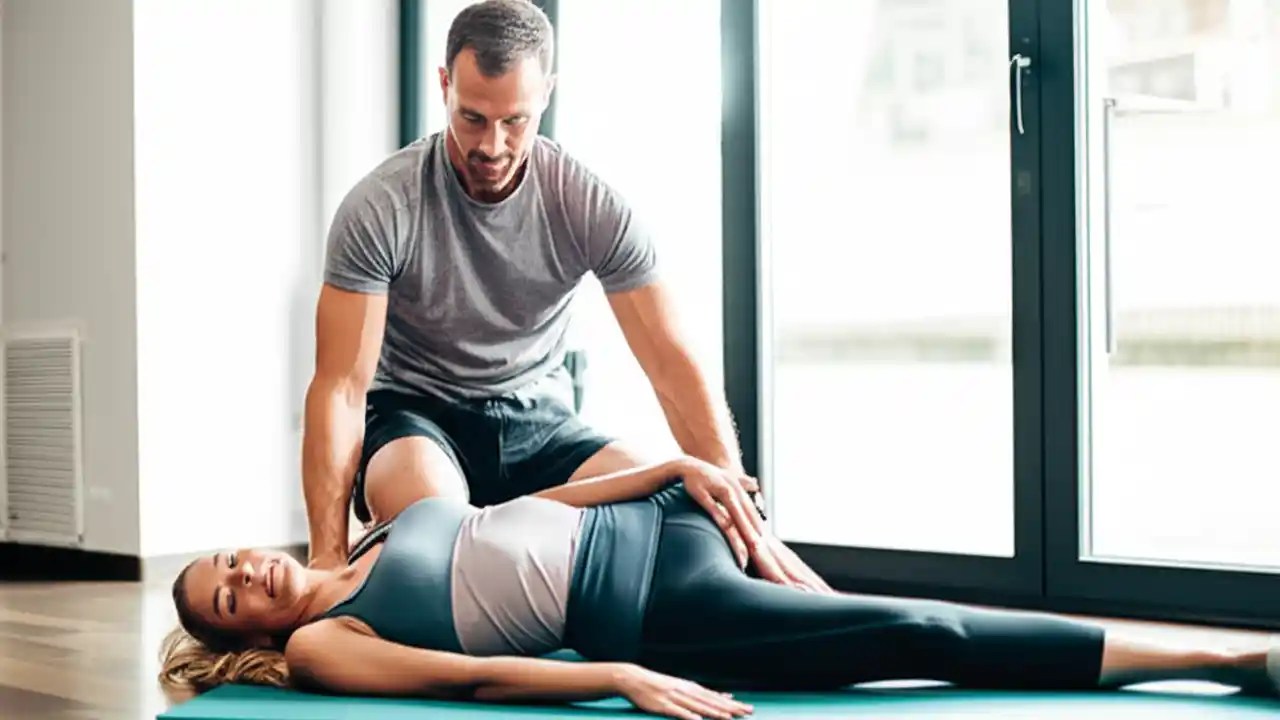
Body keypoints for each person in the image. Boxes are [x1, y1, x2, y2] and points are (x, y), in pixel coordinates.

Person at [300, 0, 823, 594]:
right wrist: (326, 557)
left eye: (514, 121)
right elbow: (340, 389)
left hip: (540, 424)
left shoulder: (587, 205)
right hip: (420, 418)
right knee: (430, 522)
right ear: (444, 84)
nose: (492, 145)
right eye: (472, 118)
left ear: (545, 94)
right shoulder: (381, 207)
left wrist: (749, 526)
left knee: (678, 508)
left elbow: (673, 366)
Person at [160, 455, 1280, 720]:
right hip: (664, 614)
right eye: (227, 600)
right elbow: (473, 678)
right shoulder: (324, 642)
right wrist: (623, 677)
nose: (245, 577)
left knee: (864, 600)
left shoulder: (379, 529)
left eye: (228, 560)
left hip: (658, 523)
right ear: (239, 632)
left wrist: (673, 467)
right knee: (912, 628)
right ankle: (1221, 658)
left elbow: (548, 504)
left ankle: (1213, 654)